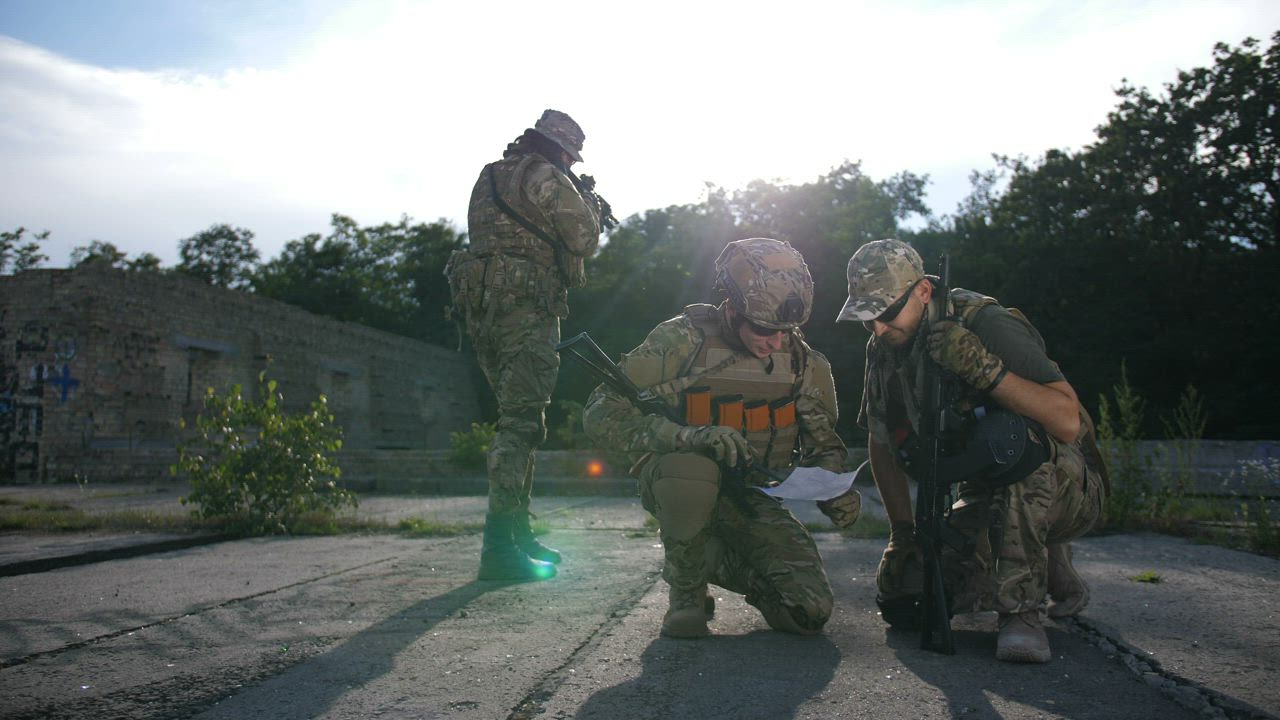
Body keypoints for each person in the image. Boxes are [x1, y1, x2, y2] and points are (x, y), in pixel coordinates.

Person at [838, 238, 1108, 663]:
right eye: (866, 319)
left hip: (1062, 481)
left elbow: (1066, 419)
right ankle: (1038, 562)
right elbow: (882, 440)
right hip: (984, 488)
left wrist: (983, 369)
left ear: (924, 291)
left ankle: (1021, 613)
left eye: (887, 313)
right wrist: (903, 534)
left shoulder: (987, 324)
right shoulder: (886, 346)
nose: (878, 329)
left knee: (1014, 448)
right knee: (906, 598)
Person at [582, 237, 863, 638]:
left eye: (788, 331)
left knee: (807, 611)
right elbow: (599, 414)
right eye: (765, 329)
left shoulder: (802, 363)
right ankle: (687, 593)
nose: (776, 342)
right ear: (732, 307)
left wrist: (834, 490)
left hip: (752, 495)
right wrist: (686, 436)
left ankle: (703, 555)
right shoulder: (681, 341)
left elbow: (824, 446)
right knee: (690, 470)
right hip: (678, 480)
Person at [446, 109, 602, 582]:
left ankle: (516, 534)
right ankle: (499, 550)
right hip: (527, 308)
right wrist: (590, 205)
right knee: (520, 425)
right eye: (569, 158)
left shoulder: (490, 175)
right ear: (557, 150)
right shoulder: (545, 177)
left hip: (484, 309)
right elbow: (584, 240)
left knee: (520, 420)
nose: (571, 167)